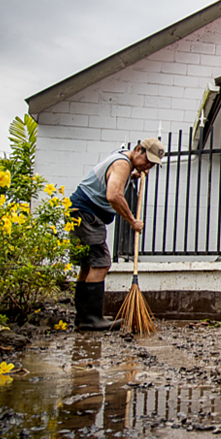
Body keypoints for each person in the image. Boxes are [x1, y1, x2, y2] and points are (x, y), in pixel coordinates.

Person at [69, 138, 164, 331]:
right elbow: (114, 195)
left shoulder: (122, 161)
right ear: (138, 150)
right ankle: (91, 319)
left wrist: (134, 176)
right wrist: (132, 221)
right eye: (148, 161)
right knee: (101, 262)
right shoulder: (123, 164)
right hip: (86, 214)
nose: (149, 166)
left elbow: (111, 180)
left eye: (153, 164)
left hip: (78, 212)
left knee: (88, 265)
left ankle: (84, 318)